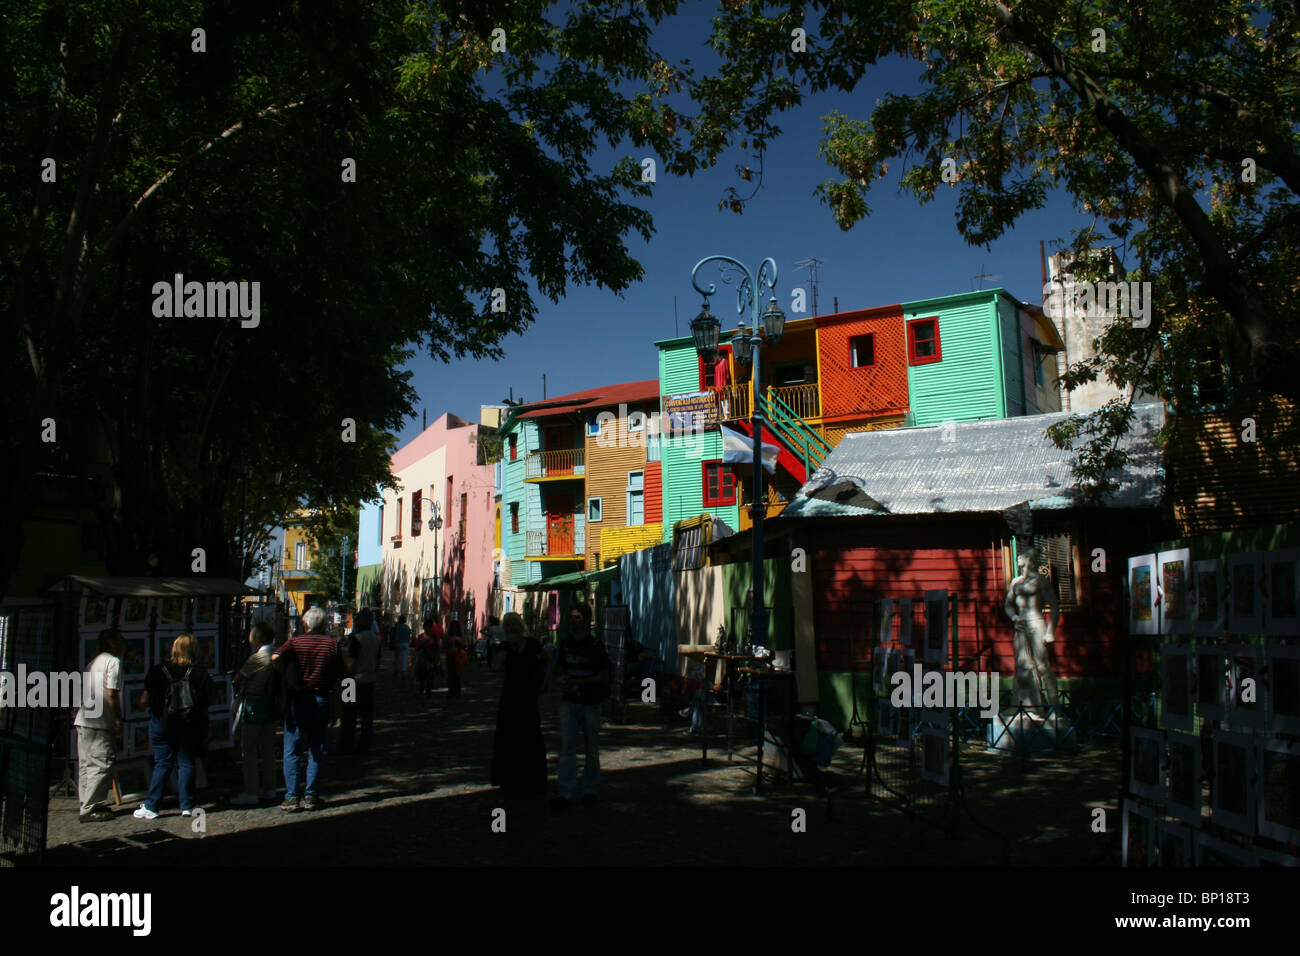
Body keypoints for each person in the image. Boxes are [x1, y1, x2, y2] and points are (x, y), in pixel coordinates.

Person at [272, 606, 344, 811]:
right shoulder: (332, 645)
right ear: (323, 625)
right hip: (321, 697)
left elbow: (275, 657)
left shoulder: (294, 642)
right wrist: (338, 707)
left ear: (305, 624)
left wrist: (286, 674)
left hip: (298, 698)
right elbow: (341, 675)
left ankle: (292, 795)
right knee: (316, 749)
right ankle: (311, 795)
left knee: (292, 749)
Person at [134, 633, 214, 820]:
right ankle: (188, 804)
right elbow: (210, 699)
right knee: (186, 763)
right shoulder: (200, 673)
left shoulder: (158, 671)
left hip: (162, 722)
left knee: (163, 763)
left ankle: (152, 805)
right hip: (189, 724)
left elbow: (144, 700)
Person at [553, 603, 610, 806]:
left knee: (591, 749)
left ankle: (590, 790)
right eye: (571, 617)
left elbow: (603, 676)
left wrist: (576, 681)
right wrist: (560, 678)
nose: (573, 621)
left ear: (586, 620)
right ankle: (566, 791)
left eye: (577, 617)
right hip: (569, 702)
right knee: (567, 748)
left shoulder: (596, 647)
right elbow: (559, 668)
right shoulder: (565, 643)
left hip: (591, 703)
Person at [490, 612, 549, 794]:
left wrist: (546, 682)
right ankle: (509, 779)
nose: (512, 628)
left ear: (520, 625)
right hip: (510, 698)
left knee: (531, 736)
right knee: (508, 738)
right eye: (508, 626)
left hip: (529, 697)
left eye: (514, 625)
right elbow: (495, 666)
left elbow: (548, 660)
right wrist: (508, 648)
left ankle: (533, 779)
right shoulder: (504, 647)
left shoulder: (532, 644)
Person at [74, 628, 124, 823]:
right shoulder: (113, 662)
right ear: (113, 643)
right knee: (101, 763)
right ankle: (90, 806)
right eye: (120, 641)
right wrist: (117, 718)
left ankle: (86, 802)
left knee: (86, 763)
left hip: (85, 718)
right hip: (101, 720)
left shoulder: (92, 662)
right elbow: (111, 693)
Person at [1004, 546, 1061, 709]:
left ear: (1030, 559)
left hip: (1036, 622)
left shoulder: (1040, 581)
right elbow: (1007, 606)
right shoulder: (1015, 582)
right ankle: (1018, 706)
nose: (1018, 558)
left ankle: (1055, 707)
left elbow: (1054, 606)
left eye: (1021, 556)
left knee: (1042, 665)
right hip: (1021, 625)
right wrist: (1014, 617)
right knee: (1021, 665)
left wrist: (1050, 631)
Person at [231, 622, 280, 806]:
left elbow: (238, 678)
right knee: (268, 750)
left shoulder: (258, 658)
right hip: (272, 706)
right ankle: (270, 788)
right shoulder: (279, 653)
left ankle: (252, 790)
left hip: (255, 704)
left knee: (249, 750)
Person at [339, 608, 381, 754]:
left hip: (351, 681)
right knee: (367, 716)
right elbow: (378, 661)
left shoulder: (356, 639)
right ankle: (364, 744)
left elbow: (351, 662)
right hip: (369, 680)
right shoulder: (376, 639)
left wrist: (345, 675)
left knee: (348, 715)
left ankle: (346, 744)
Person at [412, 617, 442, 697]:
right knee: (422, 674)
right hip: (423, 658)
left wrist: (438, 657)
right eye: (426, 627)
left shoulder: (433, 637)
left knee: (430, 674)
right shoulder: (421, 636)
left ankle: (428, 690)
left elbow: (437, 647)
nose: (427, 629)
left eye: (429, 627)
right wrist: (414, 657)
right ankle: (422, 688)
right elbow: (417, 648)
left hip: (431, 657)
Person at [445, 619, 465, 697]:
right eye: (453, 628)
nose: (455, 629)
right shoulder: (448, 636)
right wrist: (449, 644)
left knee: (457, 673)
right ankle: (451, 689)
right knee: (450, 673)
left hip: (459, 656)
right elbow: (444, 645)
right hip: (450, 655)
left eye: (456, 628)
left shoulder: (461, 636)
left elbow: (464, 645)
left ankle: (457, 688)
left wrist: (460, 644)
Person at [392, 613, 411, 684]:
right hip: (406, 644)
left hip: (399, 643)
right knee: (404, 659)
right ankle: (404, 672)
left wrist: (395, 643)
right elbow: (409, 636)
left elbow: (396, 635)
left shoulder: (398, 626)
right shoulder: (407, 627)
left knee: (397, 658)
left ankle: (396, 670)